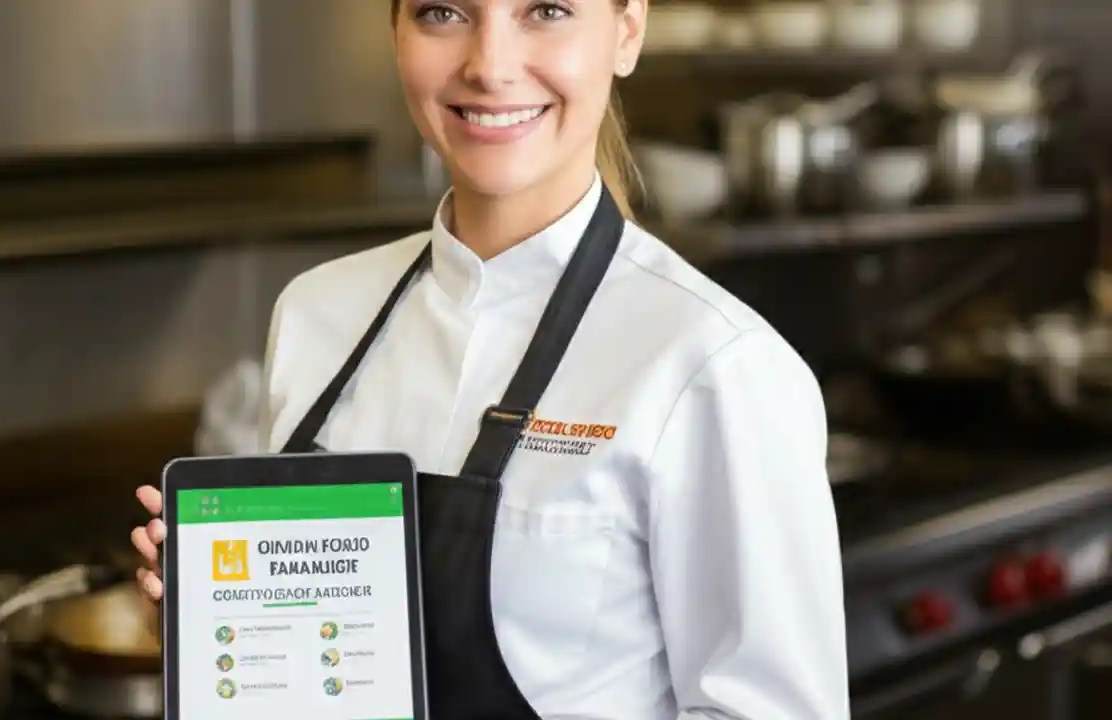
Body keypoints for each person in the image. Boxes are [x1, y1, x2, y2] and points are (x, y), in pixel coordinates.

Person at [131, 1, 849, 718]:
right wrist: (231, 644)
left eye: (546, 11)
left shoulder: (713, 365)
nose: (490, 66)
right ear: (396, 32)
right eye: (443, 12)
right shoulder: (316, 313)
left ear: (627, 29)